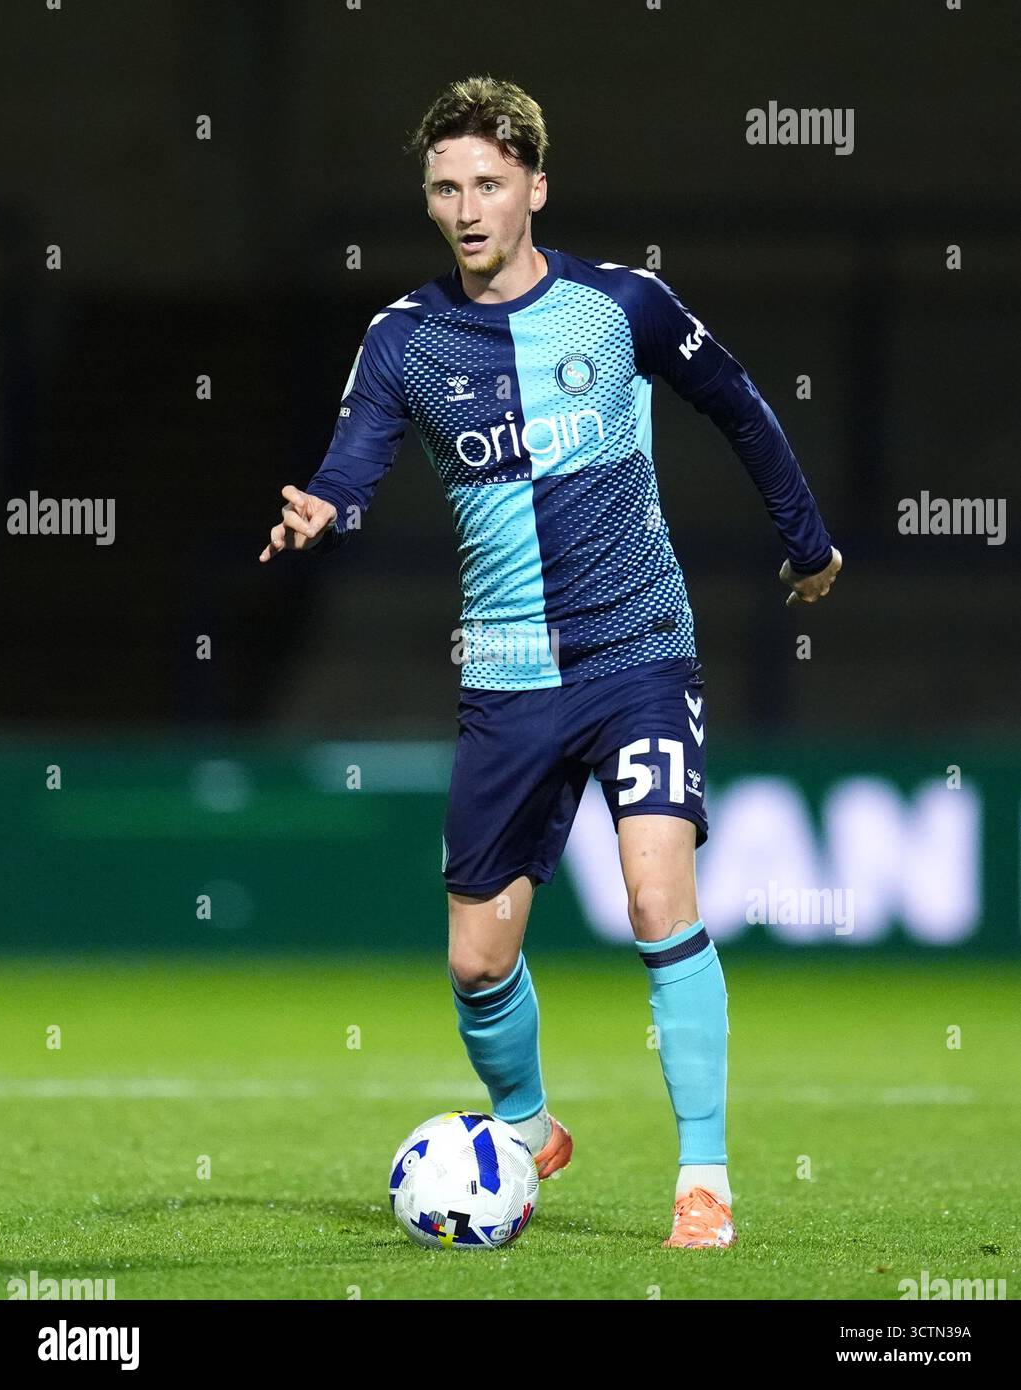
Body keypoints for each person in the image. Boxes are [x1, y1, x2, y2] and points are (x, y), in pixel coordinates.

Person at [260, 74, 841, 1248]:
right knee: (478, 959)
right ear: (427, 203)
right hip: (505, 675)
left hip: (636, 651)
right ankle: (526, 1124)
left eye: (487, 182)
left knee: (653, 896)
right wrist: (323, 504)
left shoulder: (619, 307)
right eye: (444, 189)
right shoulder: (406, 342)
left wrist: (807, 536)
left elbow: (734, 402)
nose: (467, 207)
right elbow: (354, 457)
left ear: (534, 185)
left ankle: (705, 1175)